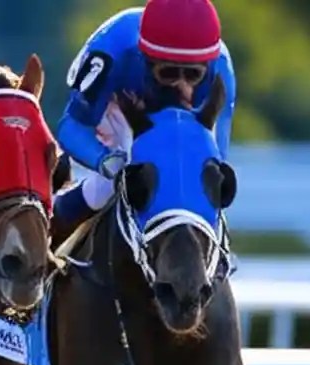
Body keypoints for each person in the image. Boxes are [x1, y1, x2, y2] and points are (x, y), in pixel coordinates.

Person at [51, 0, 236, 232]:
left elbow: (217, 158)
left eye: (193, 75)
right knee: (107, 186)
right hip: (119, 104)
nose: (182, 87)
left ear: (207, 66)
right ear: (145, 60)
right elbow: (72, 128)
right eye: (168, 73)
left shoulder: (222, 68)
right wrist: (108, 162)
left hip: (184, 118)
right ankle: (52, 229)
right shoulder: (112, 52)